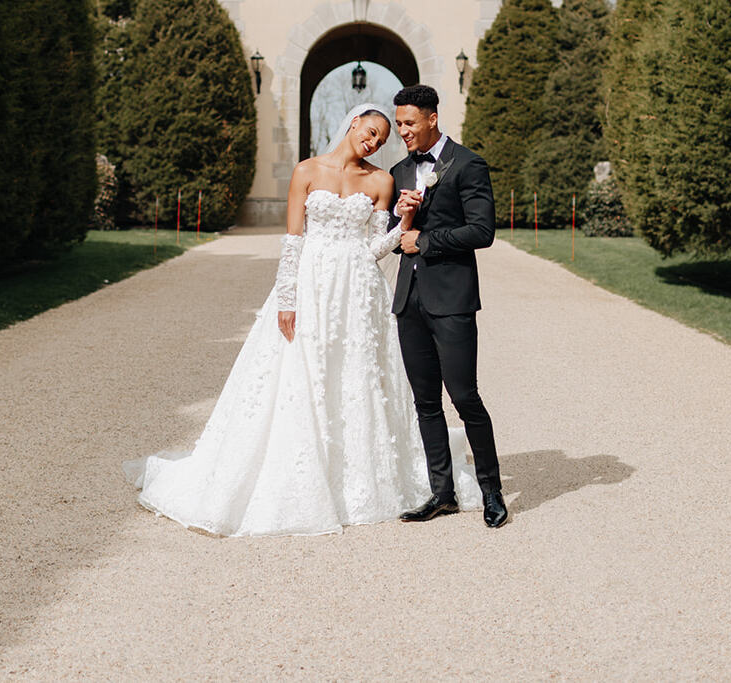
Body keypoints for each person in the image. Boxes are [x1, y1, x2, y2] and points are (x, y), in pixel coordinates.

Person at [123, 103, 480, 537]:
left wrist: (404, 219)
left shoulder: (382, 181)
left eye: (381, 141)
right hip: (312, 284)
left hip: (359, 290)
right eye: (369, 133)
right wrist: (286, 300)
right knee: (303, 373)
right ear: (352, 124)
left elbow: (375, 248)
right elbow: (293, 241)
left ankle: (363, 481)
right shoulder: (307, 171)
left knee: (358, 377)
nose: (373, 143)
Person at [390, 84, 508, 528]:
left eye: (408, 123)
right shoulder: (401, 170)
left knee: (464, 396)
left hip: (453, 299)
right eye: (398, 123)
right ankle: (442, 494)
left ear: (432, 119)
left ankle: (491, 490)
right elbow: (395, 236)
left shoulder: (468, 164)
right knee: (425, 403)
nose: (402, 131)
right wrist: (401, 218)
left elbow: (482, 231)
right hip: (409, 301)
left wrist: (426, 240)